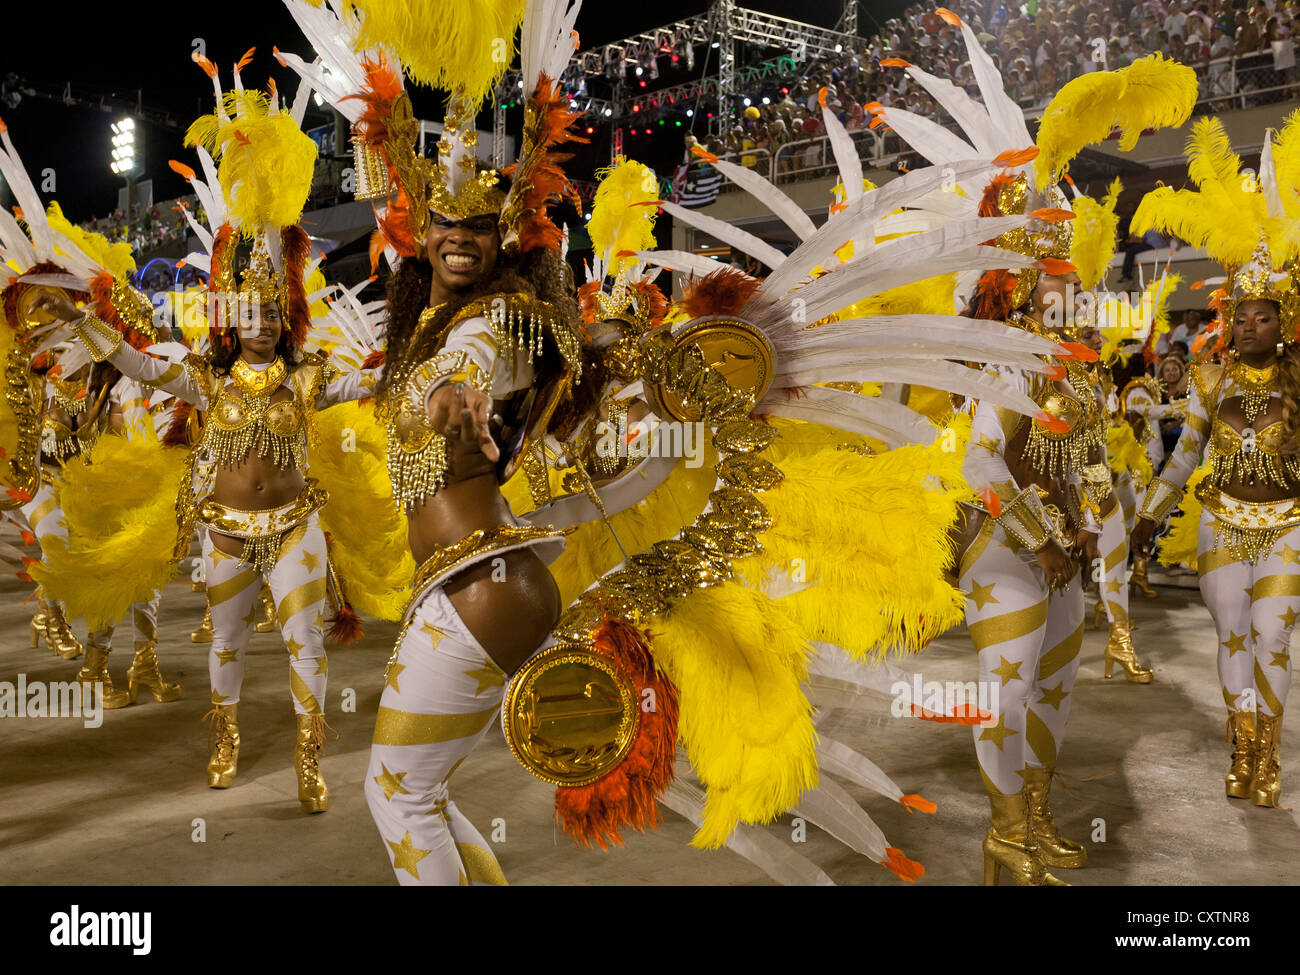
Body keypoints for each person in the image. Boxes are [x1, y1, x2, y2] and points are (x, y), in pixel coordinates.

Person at [1131, 116, 1300, 809]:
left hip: (1288, 520)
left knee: (1273, 633)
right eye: (1243, 315)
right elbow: (1184, 460)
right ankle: (1241, 743)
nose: (1250, 325)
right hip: (1222, 523)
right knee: (1232, 632)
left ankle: (1269, 750)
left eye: (1264, 316)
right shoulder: (1208, 381)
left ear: (1283, 321)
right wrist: (1144, 522)